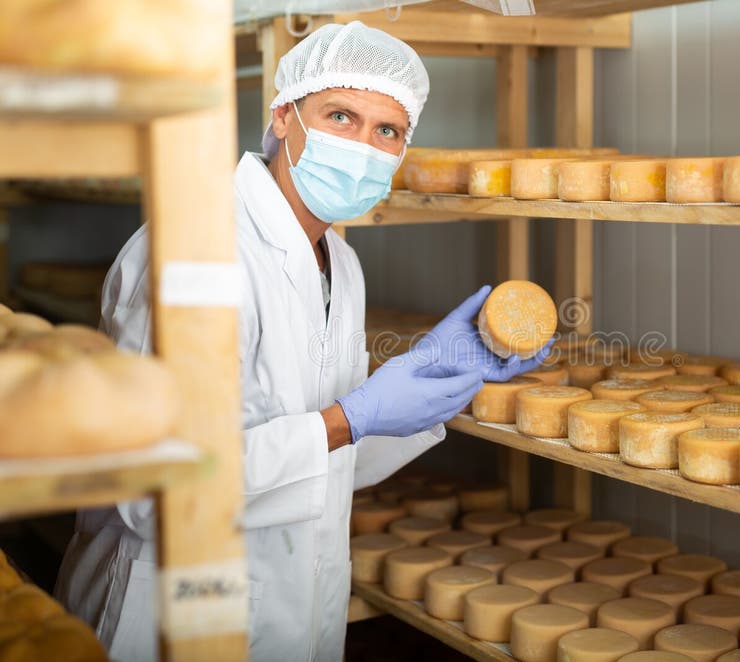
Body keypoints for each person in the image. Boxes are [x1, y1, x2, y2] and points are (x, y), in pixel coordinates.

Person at [55, 21, 549, 661]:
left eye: (387, 131)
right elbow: (149, 492)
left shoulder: (339, 264)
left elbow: (323, 461)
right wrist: (351, 418)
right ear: (284, 115)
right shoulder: (194, 251)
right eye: (341, 115)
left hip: (292, 612)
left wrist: (434, 380)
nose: (364, 146)